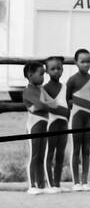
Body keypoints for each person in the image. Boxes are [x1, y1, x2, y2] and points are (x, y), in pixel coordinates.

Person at [66, 48, 90, 190]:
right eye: (82, 61)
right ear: (75, 63)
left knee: (87, 149)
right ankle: (76, 182)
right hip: (76, 116)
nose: (86, 64)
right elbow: (67, 99)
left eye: (88, 61)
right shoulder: (72, 80)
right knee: (76, 148)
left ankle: (85, 181)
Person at [22, 61, 50, 194]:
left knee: (41, 155)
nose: (43, 77)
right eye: (40, 74)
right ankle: (32, 185)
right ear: (30, 74)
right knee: (34, 155)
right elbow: (42, 105)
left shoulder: (41, 90)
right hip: (34, 124)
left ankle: (41, 185)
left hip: (44, 123)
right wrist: (46, 104)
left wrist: (45, 104)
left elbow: (49, 103)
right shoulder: (28, 91)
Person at [43, 56, 69, 192]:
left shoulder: (64, 87)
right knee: (50, 153)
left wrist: (67, 113)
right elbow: (49, 106)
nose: (56, 71)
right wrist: (65, 111)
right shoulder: (45, 88)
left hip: (64, 124)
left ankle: (57, 184)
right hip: (51, 123)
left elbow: (68, 104)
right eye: (52, 69)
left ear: (63, 69)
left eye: (59, 68)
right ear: (46, 71)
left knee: (60, 154)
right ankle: (50, 184)